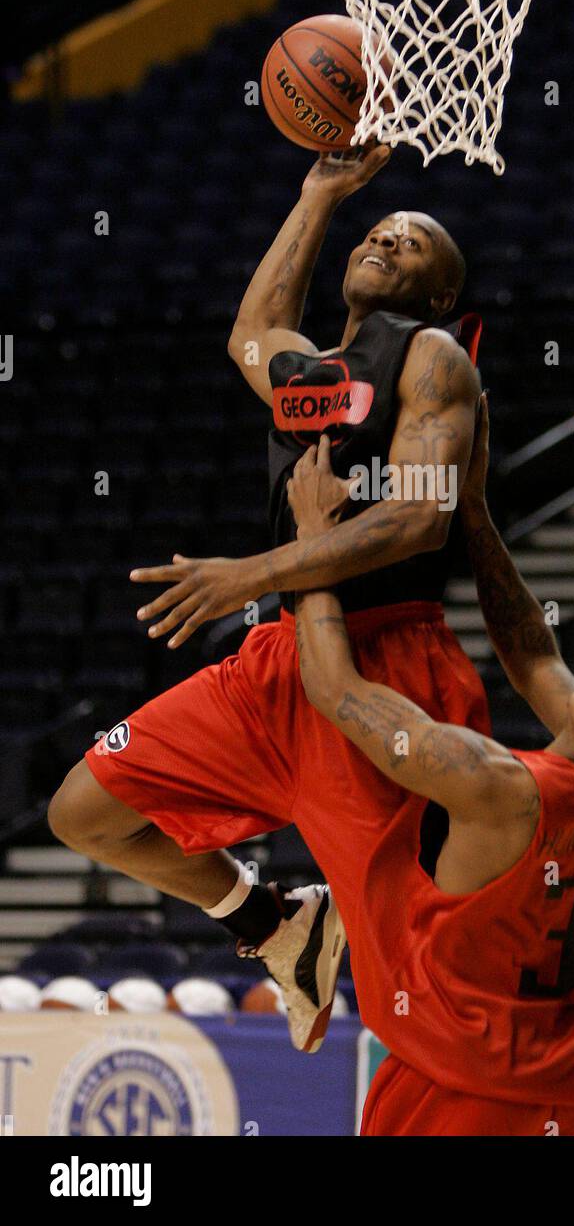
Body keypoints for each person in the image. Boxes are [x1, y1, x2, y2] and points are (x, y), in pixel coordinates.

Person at [48, 145, 490, 1052]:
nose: (387, 237)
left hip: (383, 667)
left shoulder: (434, 356)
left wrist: (249, 573)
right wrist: (319, 194)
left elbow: (419, 520)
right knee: (82, 812)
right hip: (283, 656)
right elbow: (252, 330)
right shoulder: (318, 373)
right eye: (378, 231)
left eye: (410, 242)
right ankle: (274, 922)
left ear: (440, 294)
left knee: (407, 970)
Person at [287, 398, 574, 1135]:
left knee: (388, 840)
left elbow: (334, 689)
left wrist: (313, 544)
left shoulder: (496, 786)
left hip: (458, 1083)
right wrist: (474, 511)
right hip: (569, 1088)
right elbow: (532, 653)